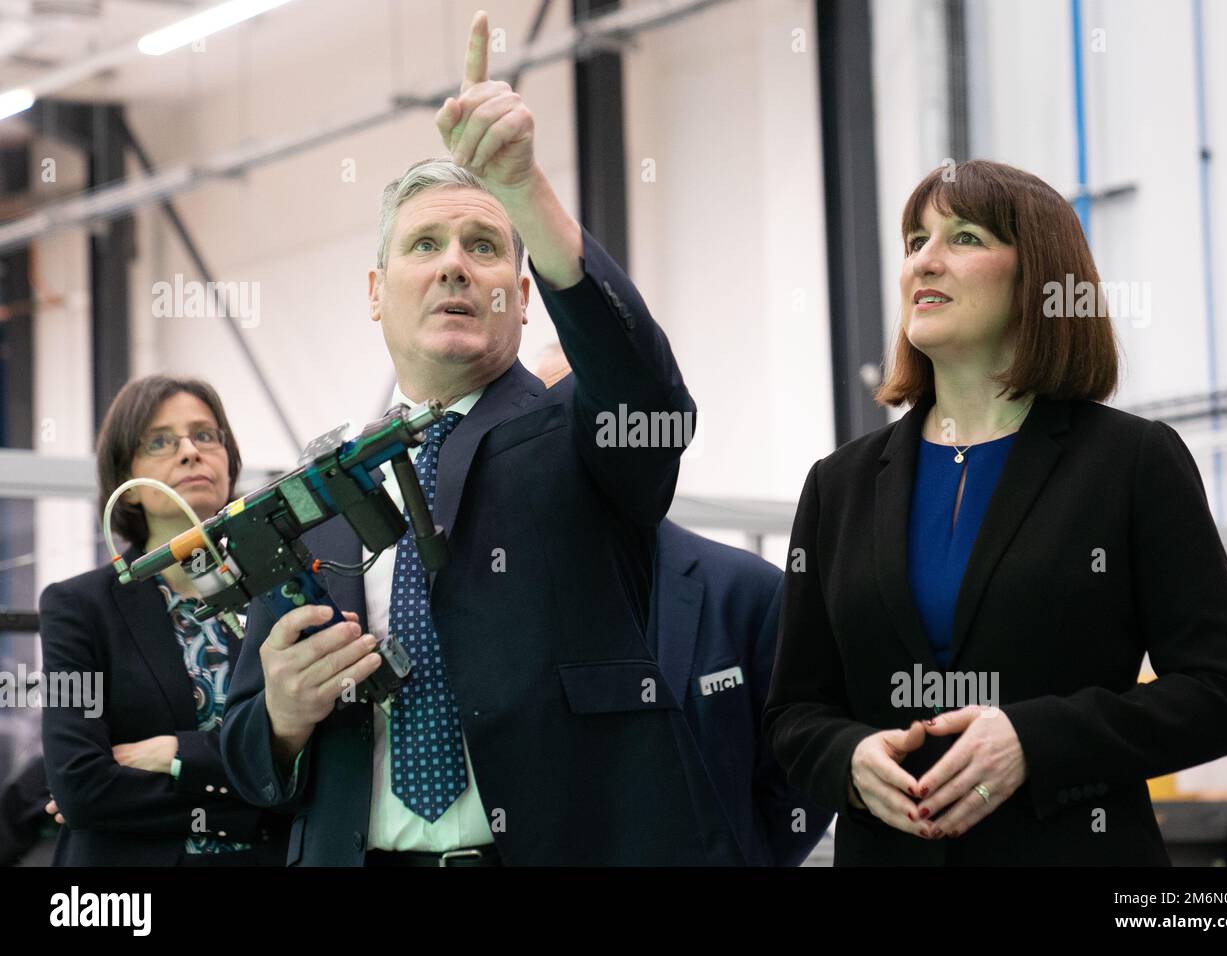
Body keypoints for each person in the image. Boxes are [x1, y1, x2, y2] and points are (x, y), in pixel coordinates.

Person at [220, 12, 743, 866]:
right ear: (376, 291)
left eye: (485, 246)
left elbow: (648, 396)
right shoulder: (315, 491)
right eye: (424, 244)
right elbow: (244, 754)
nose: (456, 264)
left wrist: (526, 191)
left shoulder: (581, 441)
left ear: (523, 293)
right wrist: (279, 717)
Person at [762, 159, 1227, 866]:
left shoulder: (1132, 461)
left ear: (1039, 280)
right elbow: (793, 712)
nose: (925, 262)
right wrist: (846, 757)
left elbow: (1224, 695)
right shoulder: (838, 485)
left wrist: (1035, 740)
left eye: (964, 238)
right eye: (914, 241)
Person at [535, 344, 832, 865]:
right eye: (553, 416)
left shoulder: (750, 595)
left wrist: (743, 854)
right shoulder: (499, 601)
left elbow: (802, 768)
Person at [39, 375, 290, 866]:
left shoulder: (282, 592)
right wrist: (253, 799)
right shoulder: (78, 608)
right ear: (125, 484)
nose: (190, 451)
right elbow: (82, 787)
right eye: (159, 441)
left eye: (205, 435)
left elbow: (319, 766)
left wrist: (177, 753)